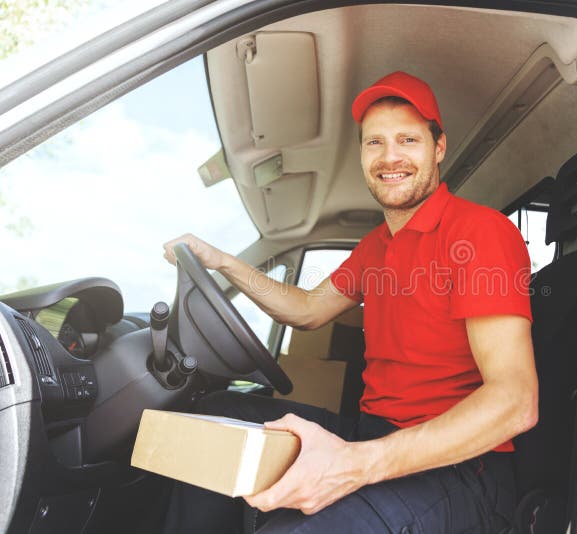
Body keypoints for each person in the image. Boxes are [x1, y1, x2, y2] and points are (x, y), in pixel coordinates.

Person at [161, 71, 538, 533]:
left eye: (407, 140)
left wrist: (354, 465)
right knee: (218, 417)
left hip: (461, 468)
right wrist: (222, 262)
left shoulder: (480, 232)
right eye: (375, 142)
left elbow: (515, 402)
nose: (390, 156)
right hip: (372, 432)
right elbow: (306, 309)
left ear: (438, 148)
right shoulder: (375, 247)